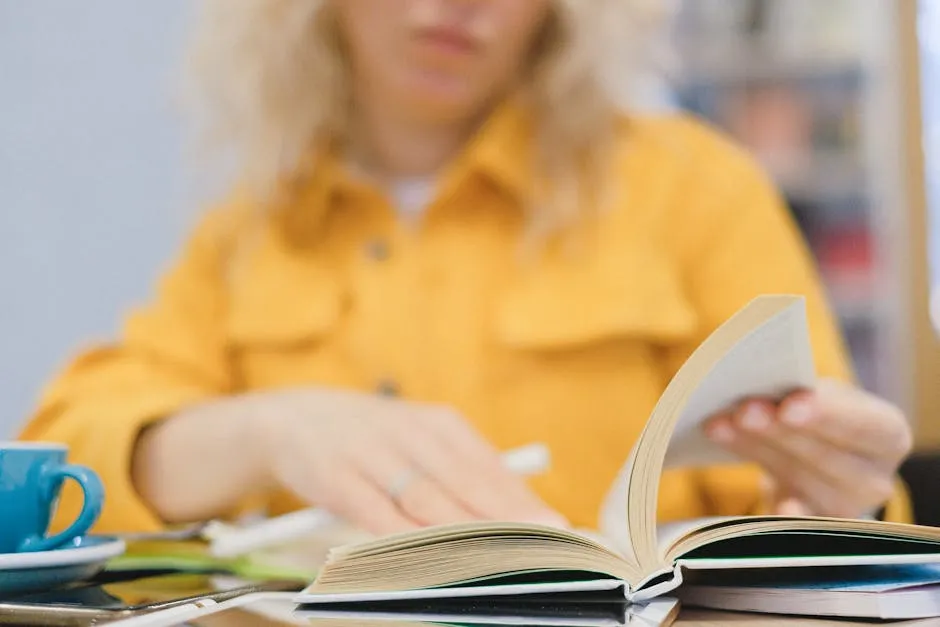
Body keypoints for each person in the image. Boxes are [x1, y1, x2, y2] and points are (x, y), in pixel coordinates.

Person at [22, 0, 913, 536]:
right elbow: (73, 458)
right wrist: (275, 427)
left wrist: (843, 507)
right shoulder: (250, 229)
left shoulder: (696, 189)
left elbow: (841, 501)